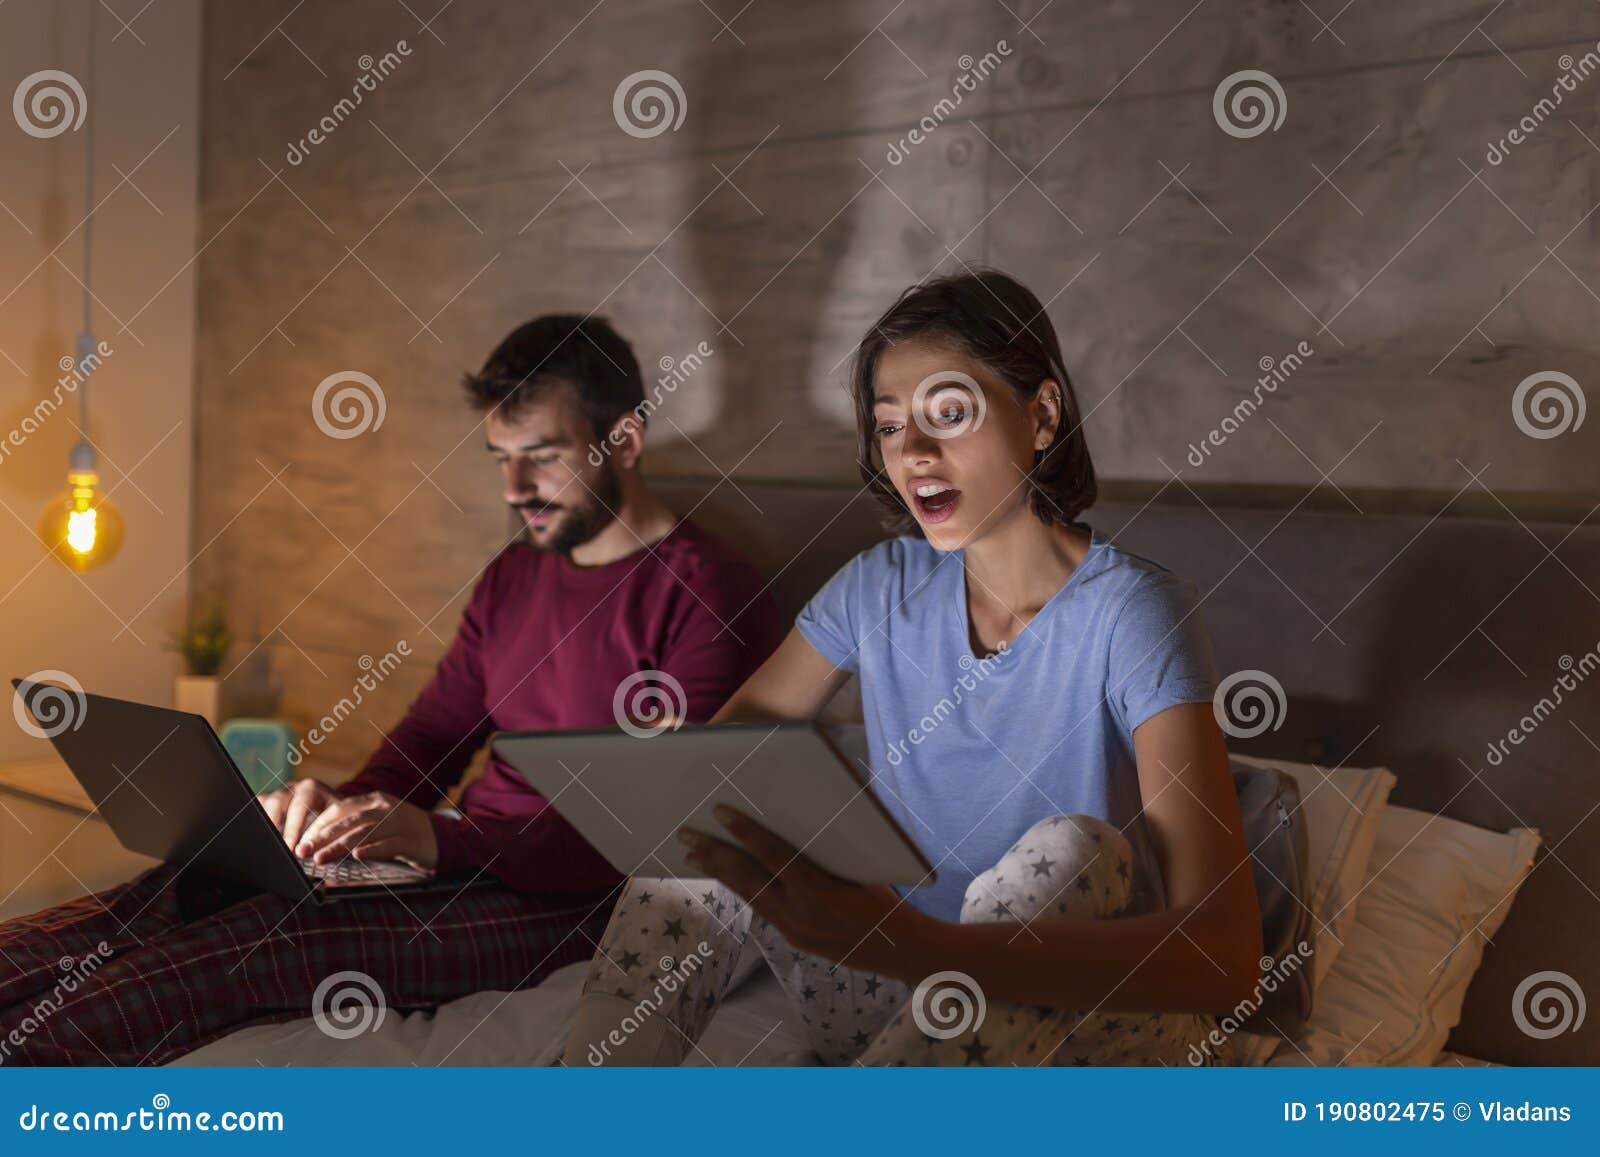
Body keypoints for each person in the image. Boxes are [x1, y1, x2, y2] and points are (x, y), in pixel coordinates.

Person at [0, 315, 780, 1065]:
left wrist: (445, 840)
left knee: (252, 942)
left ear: (626, 440)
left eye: (541, 457)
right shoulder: (515, 574)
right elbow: (433, 736)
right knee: (176, 889)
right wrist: (337, 816)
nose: (514, 488)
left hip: (574, 902)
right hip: (469, 858)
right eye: (500, 458)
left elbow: (648, 831)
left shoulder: (709, 593)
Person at [561, 272, 1263, 1067]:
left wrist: (918, 945)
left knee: (1075, 847)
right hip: (887, 993)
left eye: (950, 413)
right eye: (891, 425)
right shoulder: (876, 584)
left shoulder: (1132, 611)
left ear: (1042, 416)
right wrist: (672, 771)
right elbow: (721, 767)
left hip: (1079, 1019)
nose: (914, 453)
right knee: (723, 810)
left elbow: (1225, 955)